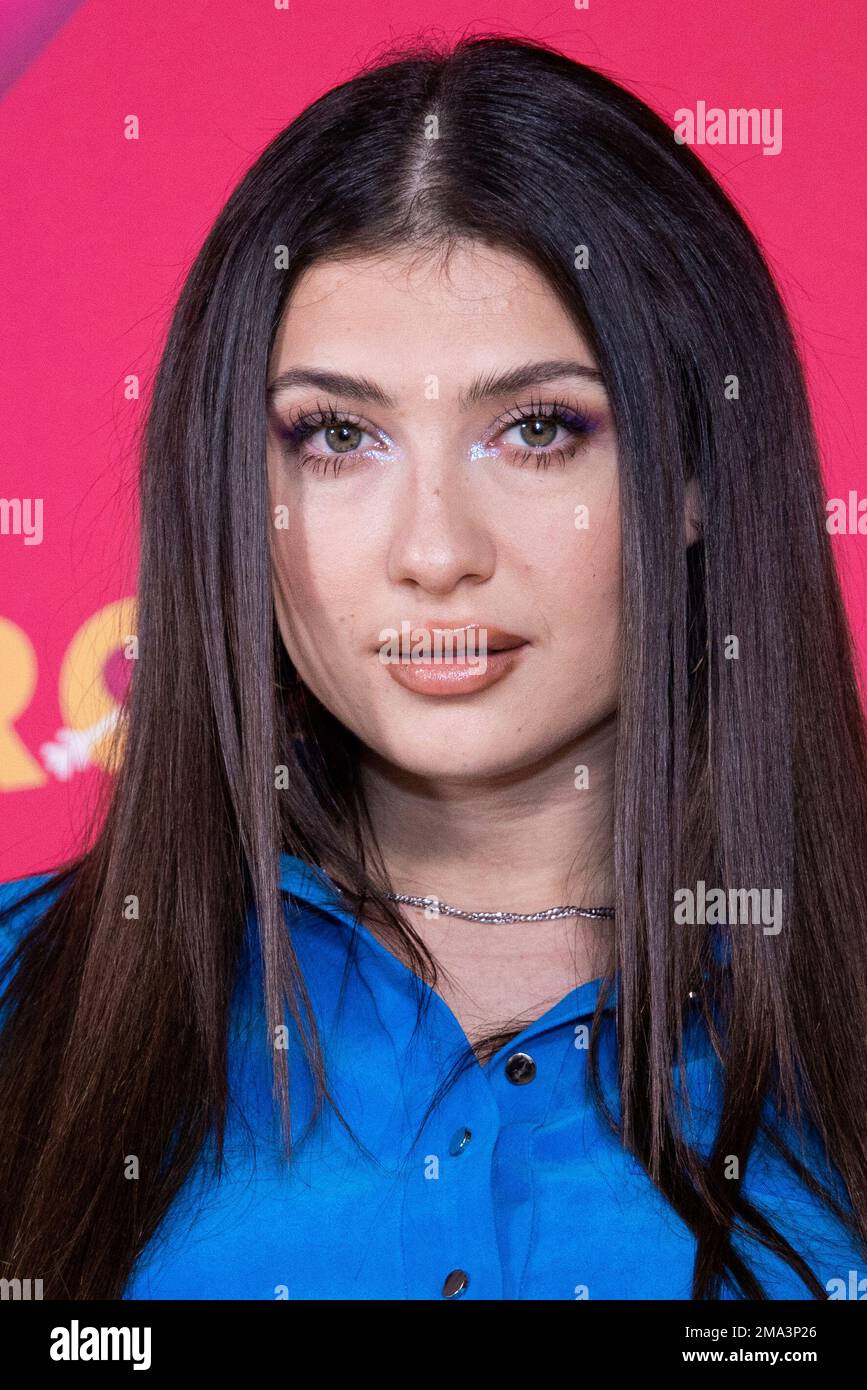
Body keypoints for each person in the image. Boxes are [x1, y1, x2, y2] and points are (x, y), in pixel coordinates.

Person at [1, 34, 866, 1302]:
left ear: (694, 474)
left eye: (536, 430)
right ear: (238, 490)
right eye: (339, 436)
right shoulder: (29, 1003)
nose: (435, 552)